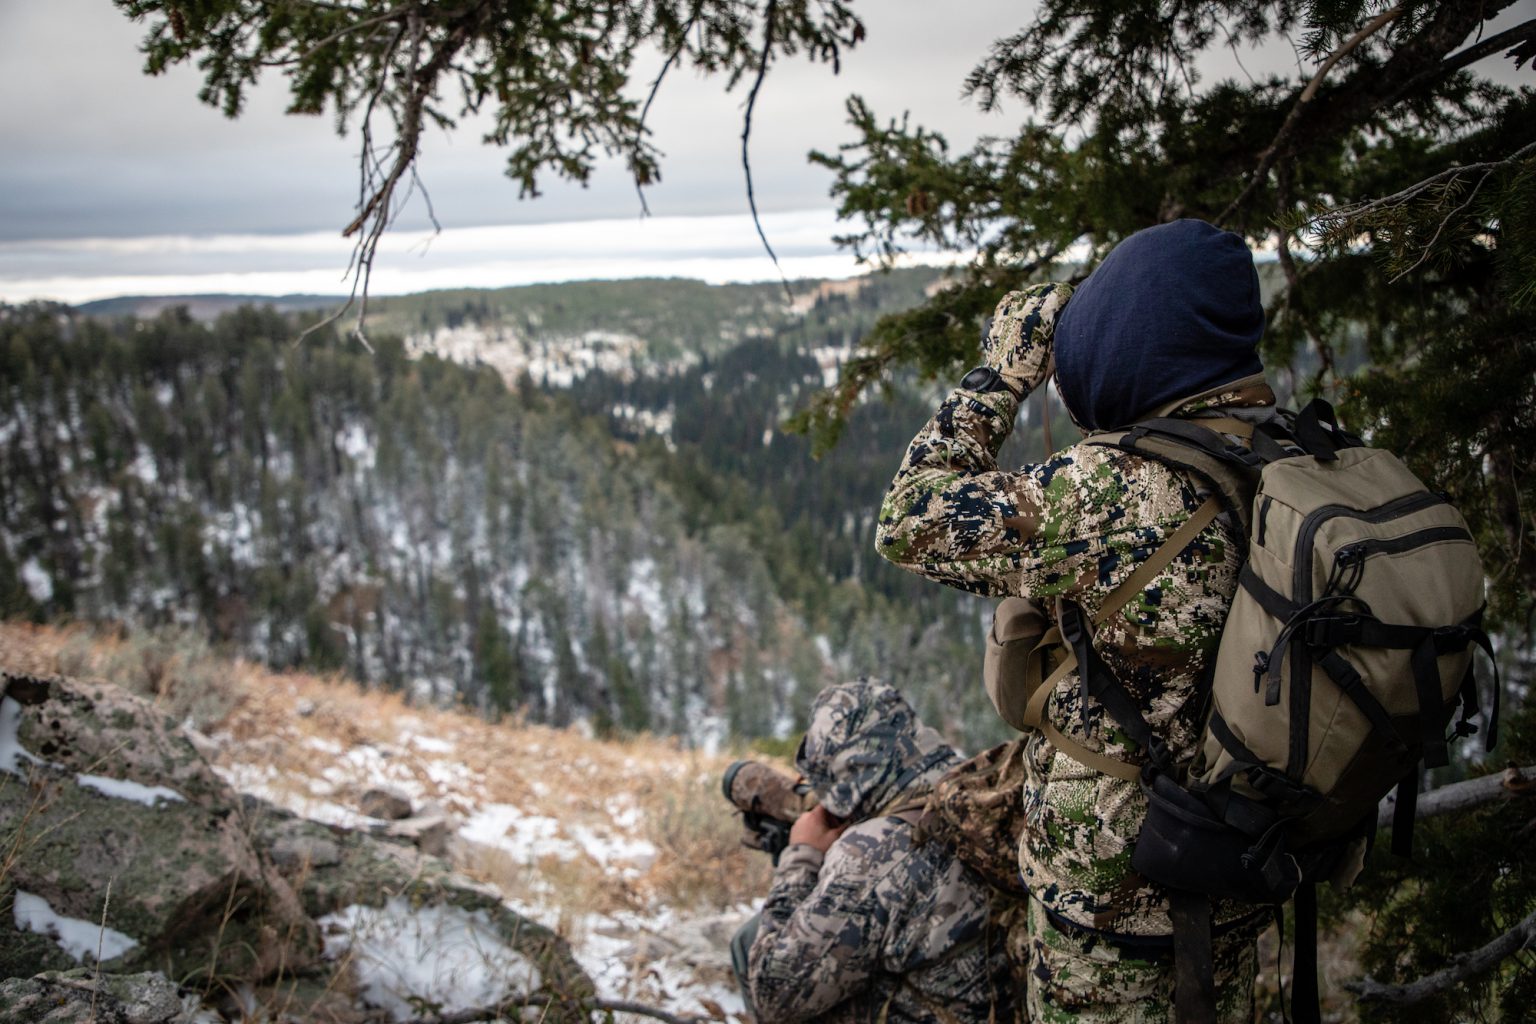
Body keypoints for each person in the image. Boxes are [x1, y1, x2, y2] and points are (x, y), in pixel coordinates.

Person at [875, 219, 1273, 1022]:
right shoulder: (1280, 455)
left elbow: (909, 519)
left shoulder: (1124, 493)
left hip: (1114, 912)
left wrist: (1000, 373)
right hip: (1240, 879)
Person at [733, 679, 1010, 1022]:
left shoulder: (873, 852)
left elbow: (773, 995)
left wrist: (801, 856)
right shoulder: (971, 783)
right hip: (998, 1003)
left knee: (752, 942)